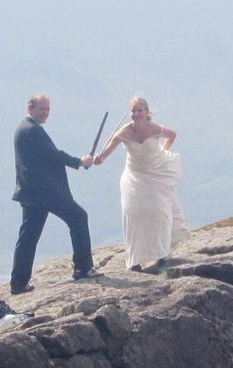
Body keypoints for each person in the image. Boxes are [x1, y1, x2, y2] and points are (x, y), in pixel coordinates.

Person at [10, 93, 101, 294]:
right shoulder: (32, 131)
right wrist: (80, 161)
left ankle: (18, 283)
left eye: (47, 109)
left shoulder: (23, 129)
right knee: (78, 217)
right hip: (45, 192)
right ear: (30, 107)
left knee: (28, 237)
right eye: (41, 109)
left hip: (31, 192)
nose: (45, 113)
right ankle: (83, 268)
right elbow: (54, 155)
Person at [93, 95, 188, 272]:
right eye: (133, 111)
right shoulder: (124, 132)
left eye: (139, 110)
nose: (135, 114)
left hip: (155, 174)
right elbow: (106, 153)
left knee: (160, 212)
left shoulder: (154, 128)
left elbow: (172, 135)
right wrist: (99, 159)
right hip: (134, 177)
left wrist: (162, 153)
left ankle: (162, 255)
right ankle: (135, 261)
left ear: (146, 112)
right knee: (134, 215)